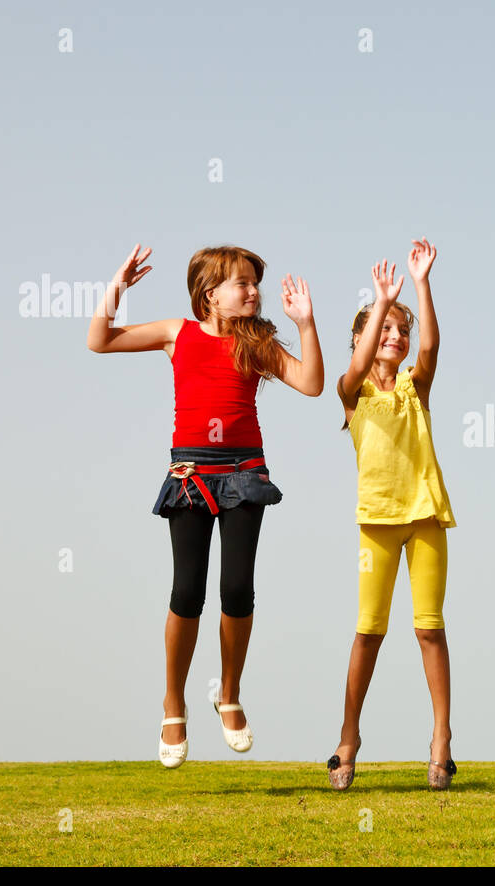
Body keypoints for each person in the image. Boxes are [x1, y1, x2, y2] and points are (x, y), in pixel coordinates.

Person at [86, 244, 325, 768]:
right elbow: (98, 340)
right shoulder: (178, 333)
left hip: (244, 472)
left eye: (254, 283)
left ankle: (229, 693)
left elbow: (311, 384)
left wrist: (305, 323)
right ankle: (174, 701)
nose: (253, 291)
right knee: (186, 590)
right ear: (209, 293)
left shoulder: (256, 343)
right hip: (191, 474)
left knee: (238, 587)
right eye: (242, 283)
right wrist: (117, 289)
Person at [328, 239, 457, 791]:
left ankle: (441, 740)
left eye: (400, 331)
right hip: (376, 524)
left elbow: (430, 347)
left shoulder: (414, 387)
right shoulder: (352, 391)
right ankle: (348, 739)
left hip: (425, 516)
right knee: (367, 633)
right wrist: (382, 301)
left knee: (429, 630)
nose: (395, 337)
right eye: (384, 330)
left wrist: (420, 285)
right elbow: (355, 367)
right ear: (360, 339)